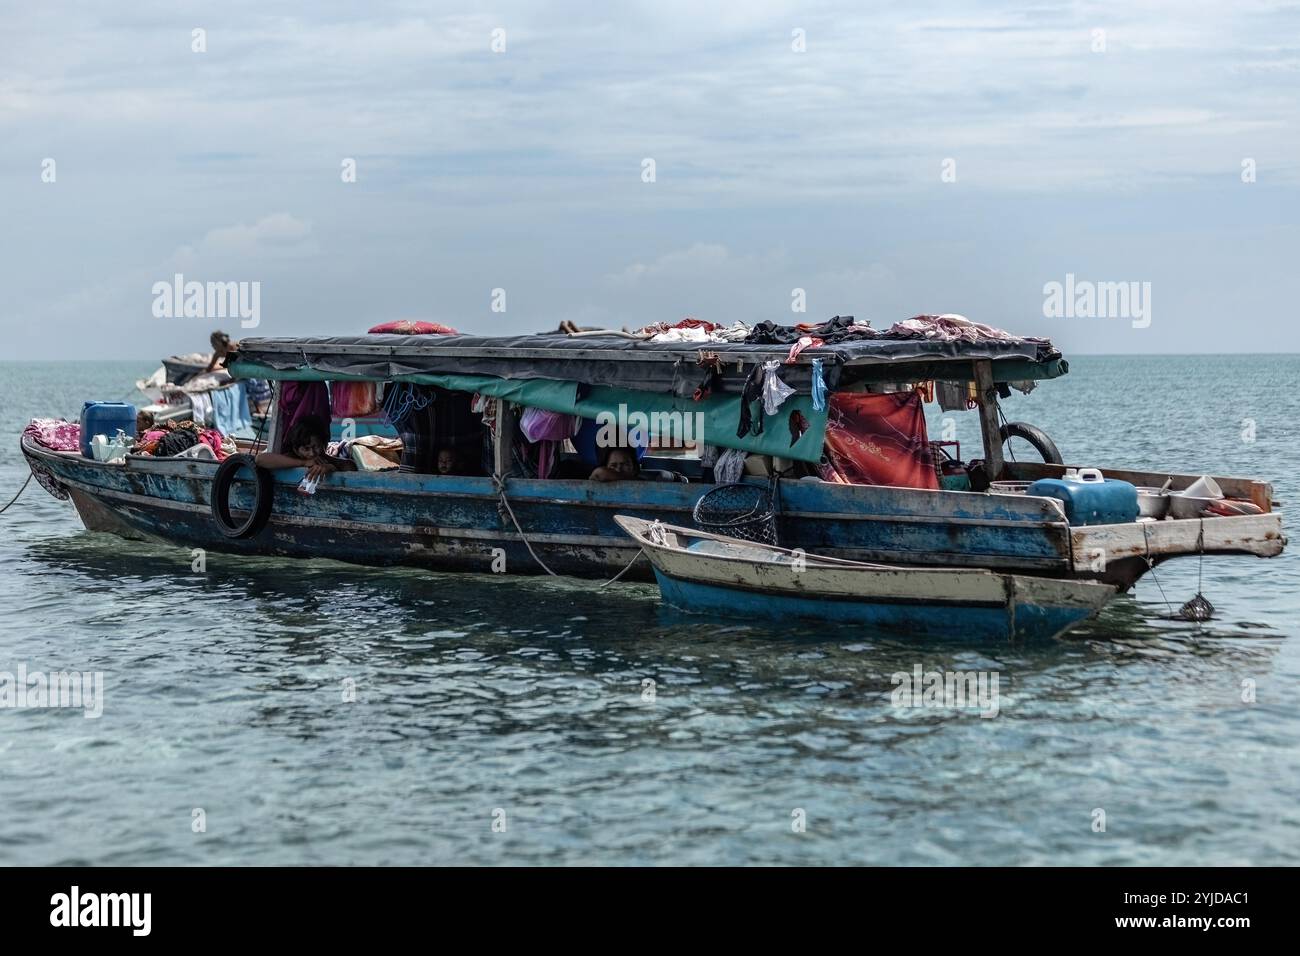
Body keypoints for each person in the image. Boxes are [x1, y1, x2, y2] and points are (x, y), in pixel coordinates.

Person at [255, 415, 353, 481]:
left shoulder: (323, 458)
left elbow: (350, 466)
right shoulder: (291, 457)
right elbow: (260, 459)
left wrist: (330, 468)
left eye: (316, 446)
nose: (312, 453)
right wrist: (303, 463)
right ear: (296, 449)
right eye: (306, 449)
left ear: (323, 444)